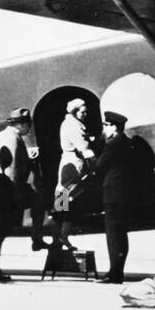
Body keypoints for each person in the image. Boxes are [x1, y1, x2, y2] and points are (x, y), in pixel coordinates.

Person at [92, 110, 155, 284]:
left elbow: (99, 166)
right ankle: (117, 271)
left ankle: (114, 274)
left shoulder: (112, 144)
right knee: (120, 233)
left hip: (113, 194)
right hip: (126, 194)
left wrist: (90, 156)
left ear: (112, 126)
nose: (103, 129)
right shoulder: (127, 142)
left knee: (113, 235)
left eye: (105, 126)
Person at [0, 108, 52, 280]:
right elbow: (12, 166)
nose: (30, 128)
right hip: (9, 187)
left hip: (5, 186)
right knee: (0, 231)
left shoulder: (5, 135)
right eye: (28, 124)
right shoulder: (13, 138)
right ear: (22, 124)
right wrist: (15, 193)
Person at [54, 98, 96, 249]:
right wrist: (95, 163)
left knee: (65, 197)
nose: (85, 114)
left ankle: (60, 235)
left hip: (72, 162)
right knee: (66, 198)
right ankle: (60, 235)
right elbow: (83, 147)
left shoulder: (72, 123)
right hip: (73, 165)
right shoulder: (73, 125)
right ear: (75, 111)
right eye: (83, 112)